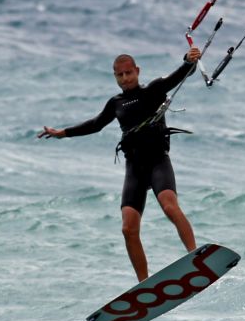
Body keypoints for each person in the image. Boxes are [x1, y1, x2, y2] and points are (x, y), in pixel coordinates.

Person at [39, 47, 201, 282]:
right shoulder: (116, 103)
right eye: (120, 75)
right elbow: (95, 124)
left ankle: (195, 255)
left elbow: (180, 75)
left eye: (129, 73)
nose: (125, 79)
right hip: (135, 167)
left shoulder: (154, 90)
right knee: (128, 228)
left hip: (157, 161)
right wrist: (62, 133)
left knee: (169, 205)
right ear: (115, 76)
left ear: (137, 71)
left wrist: (189, 61)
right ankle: (144, 284)